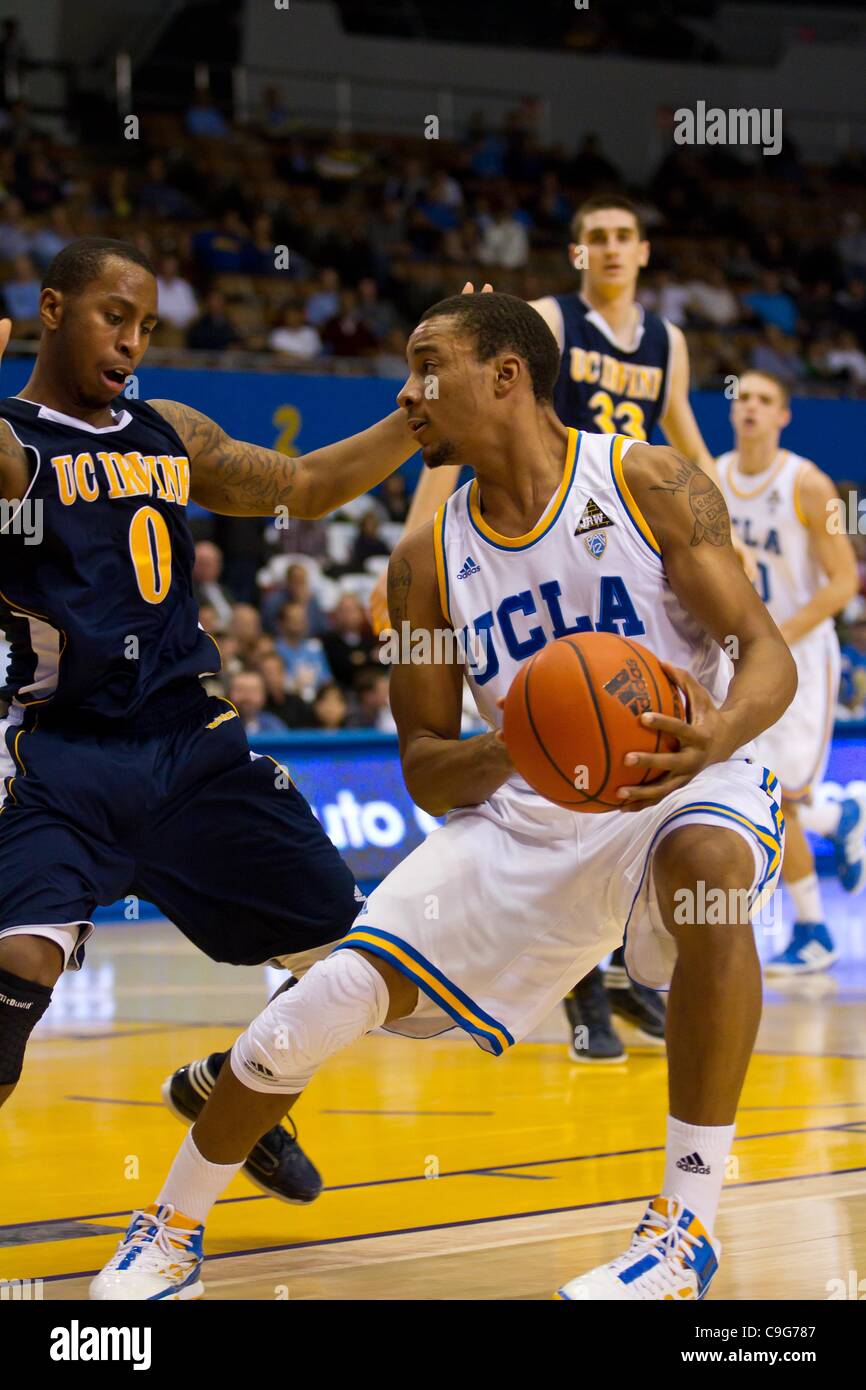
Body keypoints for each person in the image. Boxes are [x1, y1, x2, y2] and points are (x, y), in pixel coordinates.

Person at [91, 291, 794, 1302]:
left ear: (505, 375)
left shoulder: (648, 479)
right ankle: (167, 1231)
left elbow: (764, 655)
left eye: (427, 366)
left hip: (681, 774)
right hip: (525, 818)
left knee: (708, 869)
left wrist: (714, 735)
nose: (405, 393)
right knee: (325, 1000)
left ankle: (683, 1228)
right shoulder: (423, 561)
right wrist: (517, 742)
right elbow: (424, 765)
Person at [0, 236, 420, 1204]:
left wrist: (413, 415)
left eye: (146, 325)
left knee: (353, 962)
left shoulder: (169, 431)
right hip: (64, 757)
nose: (132, 341)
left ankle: (229, 1087)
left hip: (195, 749)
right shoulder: (16, 442)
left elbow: (303, 486)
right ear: (53, 307)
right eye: (115, 316)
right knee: (13, 972)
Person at [370, 193, 750, 1062]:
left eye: (624, 236)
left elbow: (684, 432)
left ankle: (630, 968)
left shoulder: (667, 341)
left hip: (624, 525)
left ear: (645, 250)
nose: (611, 250)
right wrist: (418, 547)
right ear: (576, 255)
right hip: (531, 526)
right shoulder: (549, 319)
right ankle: (586, 996)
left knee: (622, 749)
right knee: (559, 744)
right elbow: (480, 429)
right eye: (595, 239)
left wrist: (726, 524)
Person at [716, 370, 864, 972]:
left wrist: (780, 636)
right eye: (743, 397)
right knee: (762, 787)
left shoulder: (808, 483)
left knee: (780, 793)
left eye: (764, 400)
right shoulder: (715, 478)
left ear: (783, 416)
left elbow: (842, 584)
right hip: (742, 652)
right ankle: (841, 819)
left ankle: (813, 930)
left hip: (802, 653)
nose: (750, 407)